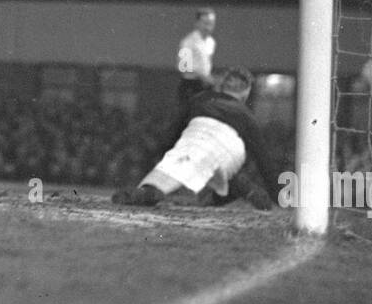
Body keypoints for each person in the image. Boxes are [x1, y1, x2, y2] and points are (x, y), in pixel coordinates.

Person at [113, 68, 277, 209]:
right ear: (245, 93)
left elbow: (174, 130)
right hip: (232, 149)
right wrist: (278, 194)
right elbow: (264, 159)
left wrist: (163, 154)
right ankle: (244, 188)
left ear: (222, 86)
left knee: (174, 171)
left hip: (199, 134)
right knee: (219, 172)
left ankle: (148, 193)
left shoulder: (200, 99)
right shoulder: (248, 117)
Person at [176, 8, 217, 107]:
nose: (208, 27)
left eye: (211, 23)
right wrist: (203, 76)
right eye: (205, 23)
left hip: (205, 85)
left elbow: (206, 64)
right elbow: (183, 66)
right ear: (197, 23)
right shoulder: (188, 42)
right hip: (190, 85)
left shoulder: (211, 42)